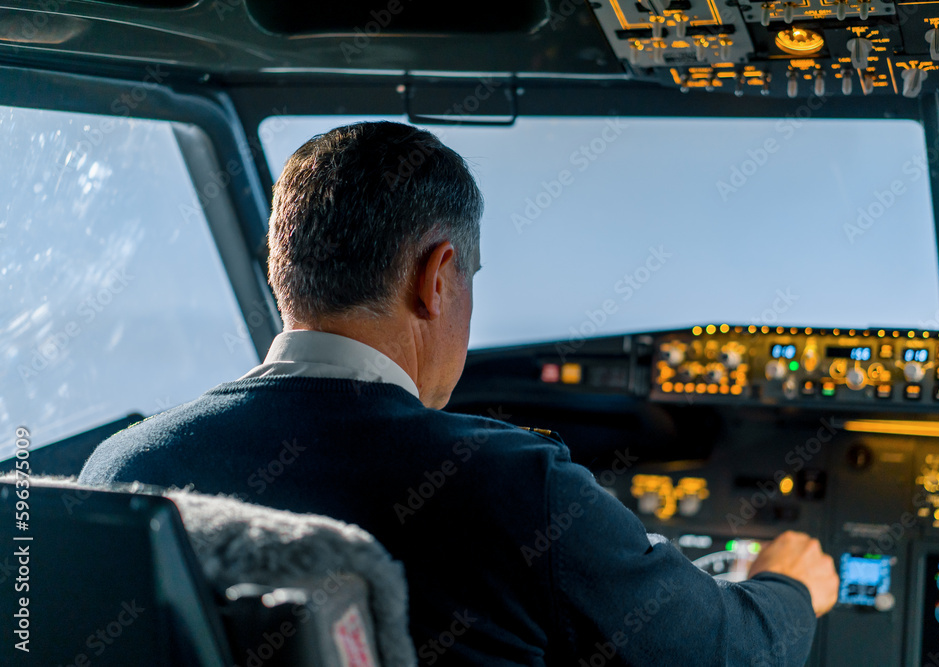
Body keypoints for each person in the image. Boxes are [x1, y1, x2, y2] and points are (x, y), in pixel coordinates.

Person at [79, 121, 839, 665]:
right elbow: (726, 650)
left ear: (284, 269)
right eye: (469, 281)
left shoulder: (121, 472)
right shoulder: (512, 486)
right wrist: (787, 585)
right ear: (437, 277)